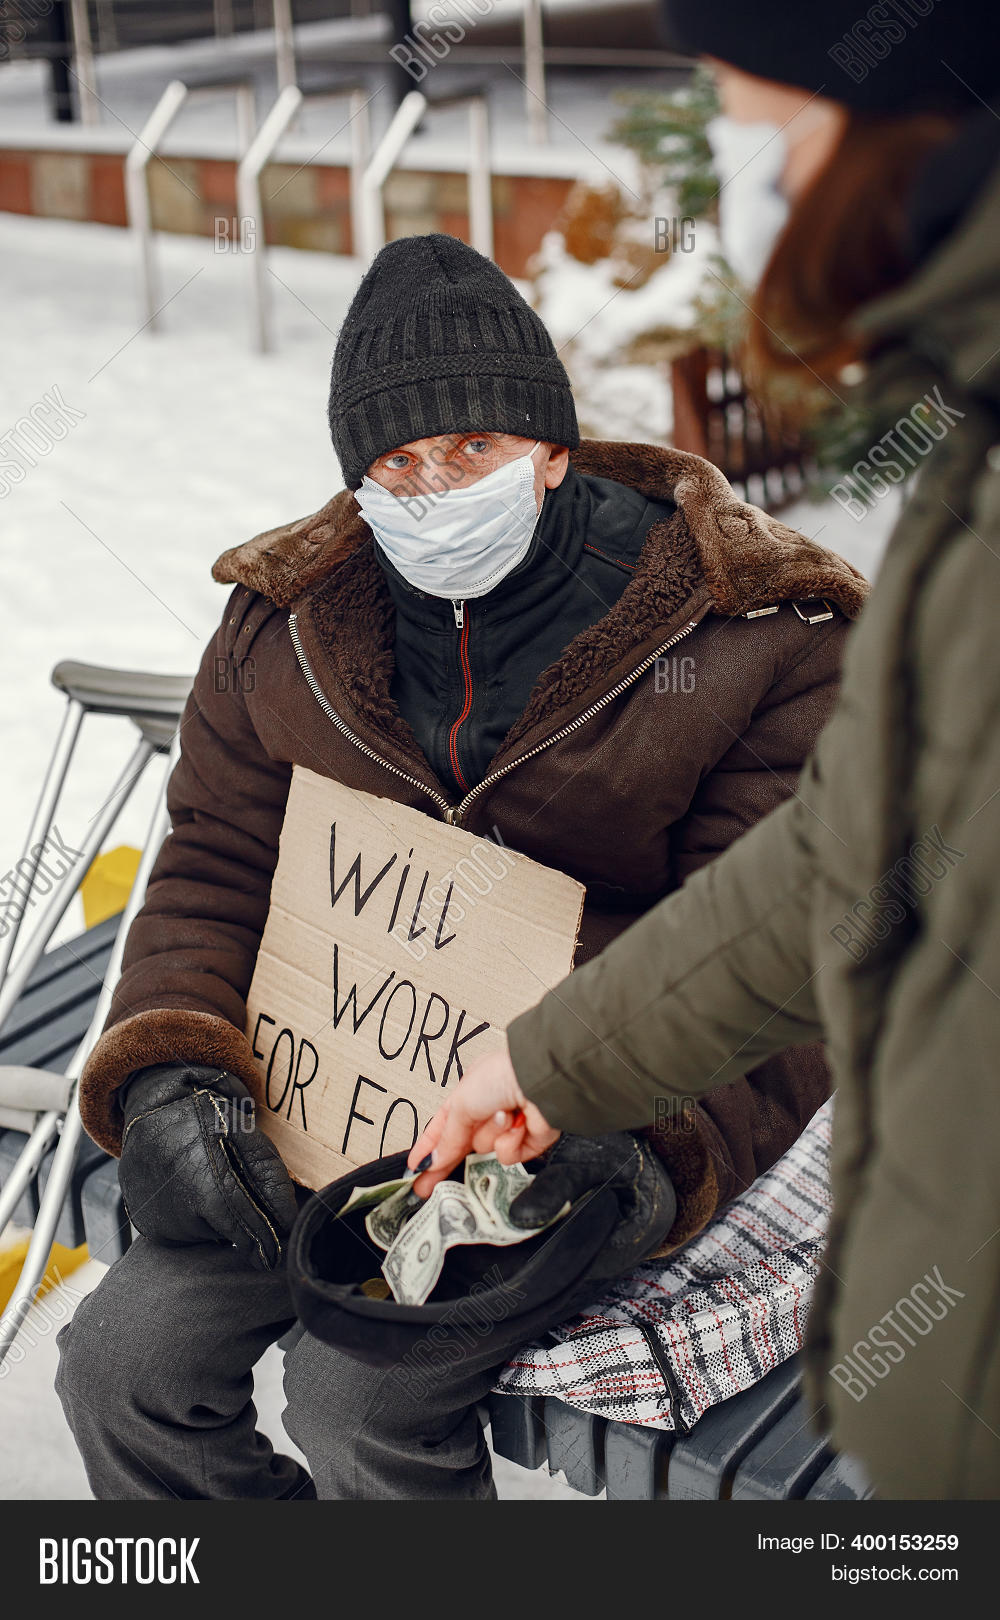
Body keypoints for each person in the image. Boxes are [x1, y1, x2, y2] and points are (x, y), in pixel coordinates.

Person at [55, 233, 865, 1500]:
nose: (431, 488)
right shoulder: (285, 623)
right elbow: (214, 862)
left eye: (471, 449)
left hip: (558, 1120)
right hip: (315, 1105)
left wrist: (640, 1138)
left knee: (358, 1399)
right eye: (395, 460)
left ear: (550, 448)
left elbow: (775, 945)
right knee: (120, 1368)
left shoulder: (756, 637)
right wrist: (174, 1072)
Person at [407, 7, 1000, 1501]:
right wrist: (553, 1065)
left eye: (747, 107)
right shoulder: (974, 470)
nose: (728, 166)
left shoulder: (744, 609)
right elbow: (854, 857)